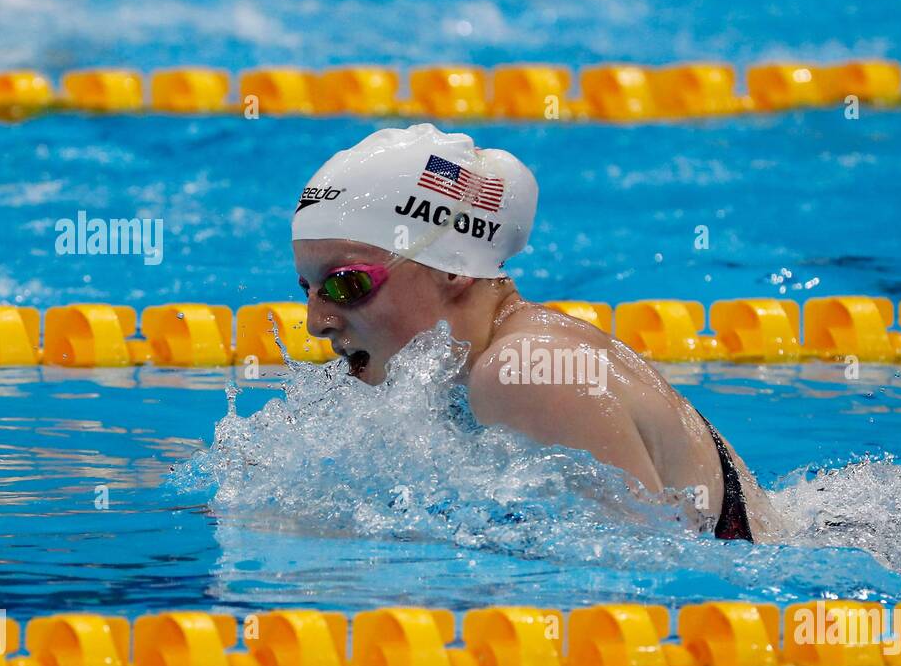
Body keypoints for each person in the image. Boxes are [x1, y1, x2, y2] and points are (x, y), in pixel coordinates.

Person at [292, 123, 780, 541]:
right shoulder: (476, 370)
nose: (318, 322)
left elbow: (634, 583)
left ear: (453, 268)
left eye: (346, 284)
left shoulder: (524, 369)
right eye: (308, 289)